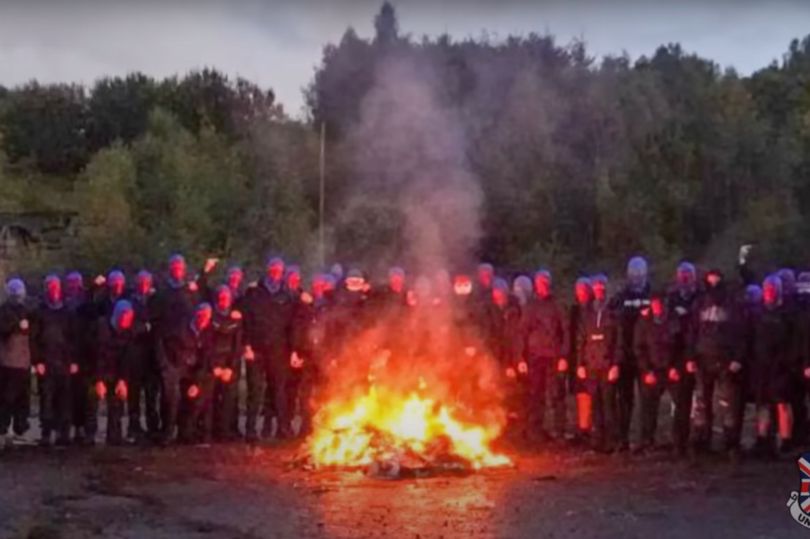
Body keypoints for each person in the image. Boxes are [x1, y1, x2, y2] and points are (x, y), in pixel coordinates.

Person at [689, 269, 742, 457]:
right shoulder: (699, 303)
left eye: (716, 282)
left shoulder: (732, 304)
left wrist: (737, 357)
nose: (713, 286)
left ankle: (730, 442)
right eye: (709, 282)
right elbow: (692, 331)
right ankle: (702, 440)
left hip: (725, 360)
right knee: (702, 402)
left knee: (727, 403)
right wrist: (690, 357)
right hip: (703, 358)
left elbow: (739, 332)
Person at [242, 256, 295, 442]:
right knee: (255, 391)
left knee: (279, 391)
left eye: (279, 269)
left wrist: (293, 349)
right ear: (268, 270)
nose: (275, 272)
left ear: (283, 272)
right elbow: (245, 321)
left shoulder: (287, 295)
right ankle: (250, 430)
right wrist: (246, 345)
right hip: (256, 349)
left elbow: (292, 325)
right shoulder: (254, 292)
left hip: (279, 350)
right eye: (273, 268)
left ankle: (282, 429)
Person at [519, 269, 568, 443]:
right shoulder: (530, 306)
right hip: (535, 357)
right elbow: (522, 333)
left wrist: (564, 356)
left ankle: (559, 431)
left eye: (546, 281)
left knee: (556, 395)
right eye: (540, 281)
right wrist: (520, 358)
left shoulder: (557, 304)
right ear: (535, 283)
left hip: (554, 356)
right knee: (536, 395)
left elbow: (566, 331)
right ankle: (536, 431)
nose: (543, 284)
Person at [751, 275, 798, 456]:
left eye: (772, 289)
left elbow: (794, 339)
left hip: (782, 365)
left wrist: (789, 361)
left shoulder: (787, 314)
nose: (769, 292)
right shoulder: (758, 313)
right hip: (761, 365)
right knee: (762, 403)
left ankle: (786, 440)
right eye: (767, 289)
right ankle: (762, 437)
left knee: (782, 403)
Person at [156, 303, 214, 444]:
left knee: (198, 395)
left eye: (206, 318)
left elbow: (205, 359)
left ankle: (186, 432)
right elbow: (162, 343)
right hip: (174, 365)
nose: (203, 320)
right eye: (201, 316)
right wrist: (165, 365)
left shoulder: (208, 333)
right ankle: (167, 432)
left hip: (192, 370)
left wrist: (196, 382)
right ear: (196, 315)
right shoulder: (179, 328)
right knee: (172, 398)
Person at [575, 277, 619, 452]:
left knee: (609, 404)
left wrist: (616, 364)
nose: (599, 290)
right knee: (595, 405)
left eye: (602, 287)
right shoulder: (587, 314)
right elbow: (581, 341)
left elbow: (619, 342)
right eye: (596, 287)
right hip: (591, 365)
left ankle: (611, 441)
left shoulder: (614, 313)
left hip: (607, 366)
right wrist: (580, 364)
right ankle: (597, 441)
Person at [32, 275, 77, 446]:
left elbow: (74, 338)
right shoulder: (39, 311)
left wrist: (73, 361)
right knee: (47, 399)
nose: (54, 289)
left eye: (56, 286)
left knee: (64, 399)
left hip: (65, 361)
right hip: (46, 361)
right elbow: (34, 339)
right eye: (50, 286)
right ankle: (46, 433)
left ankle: (63, 433)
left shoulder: (68, 311)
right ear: (46, 288)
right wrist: (38, 361)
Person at [613, 257, 652, 452]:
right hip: (626, 355)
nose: (636, 276)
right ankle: (623, 439)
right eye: (633, 272)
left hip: (646, 356)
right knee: (625, 399)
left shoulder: (653, 295)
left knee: (647, 398)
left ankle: (646, 439)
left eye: (640, 272)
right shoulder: (620, 297)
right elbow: (611, 323)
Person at [633, 292, 676, 453]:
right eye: (655, 303)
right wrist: (646, 370)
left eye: (660, 304)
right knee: (648, 407)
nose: (657, 307)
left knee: (680, 405)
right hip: (652, 369)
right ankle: (647, 440)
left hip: (670, 369)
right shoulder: (644, 322)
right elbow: (639, 348)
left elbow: (680, 343)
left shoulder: (673, 320)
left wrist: (674, 367)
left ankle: (678, 440)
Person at [666, 261, 701, 456]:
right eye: (682, 275)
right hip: (678, 356)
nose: (685, 278)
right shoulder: (671, 299)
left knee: (702, 401)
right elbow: (667, 331)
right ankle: (679, 441)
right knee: (680, 400)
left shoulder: (701, 298)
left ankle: (700, 439)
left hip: (700, 353)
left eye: (688, 274)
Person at [94, 300, 137, 445]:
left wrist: (122, 380)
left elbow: (127, 357)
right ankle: (87, 433)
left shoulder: (128, 332)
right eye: (124, 318)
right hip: (99, 368)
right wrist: (99, 380)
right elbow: (98, 354)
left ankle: (115, 437)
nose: (127, 322)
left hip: (118, 370)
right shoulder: (103, 328)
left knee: (118, 402)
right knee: (93, 401)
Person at [207, 286, 244, 442]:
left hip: (230, 363)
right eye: (221, 297)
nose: (224, 300)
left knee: (229, 399)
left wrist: (229, 368)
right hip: (212, 363)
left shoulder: (236, 319)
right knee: (211, 399)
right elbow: (207, 343)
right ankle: (209, 432)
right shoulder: (210, 317)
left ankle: (226, 432)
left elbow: (237, 346)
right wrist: (214, 366)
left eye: (226, 297)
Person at [0, 278, 32, 447]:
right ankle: (4, 430)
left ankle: (20, 428)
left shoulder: (26, 310)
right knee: (6, 398)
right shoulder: (4, 310)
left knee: (22, 399)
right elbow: (3, 330)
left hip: (24, 362)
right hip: (8, 362)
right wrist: (16, 325)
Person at [569, 278, 592, 444]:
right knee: (580, 393)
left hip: (593, 356)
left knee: (594, 393)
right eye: (579, 290)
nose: (582, 293)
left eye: (584, 290)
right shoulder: (573, 311)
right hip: (576, 356)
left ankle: (594, 427)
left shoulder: (595, 310)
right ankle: (583, 428)